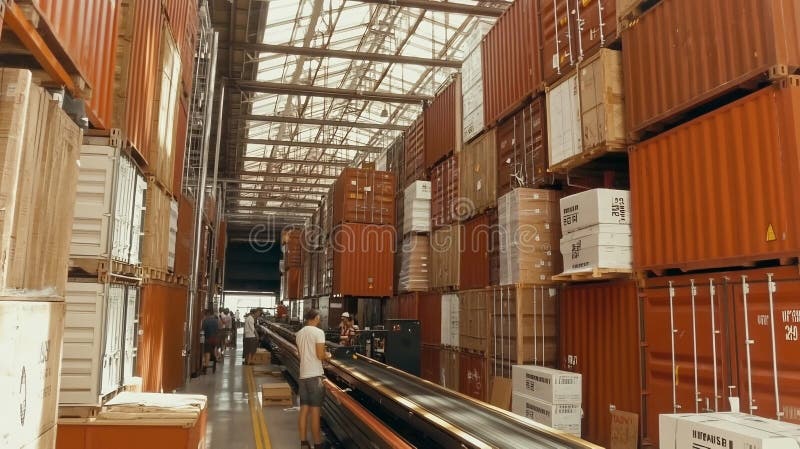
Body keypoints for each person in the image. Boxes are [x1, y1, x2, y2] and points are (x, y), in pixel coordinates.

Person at [296, 309, 330, 449]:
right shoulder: (318, 332)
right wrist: (328, 355)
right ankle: (318, 444)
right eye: (319, 317)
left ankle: (303, 442)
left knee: (304, 410)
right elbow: (320, 355)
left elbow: (300, 355)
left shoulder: (299, 333)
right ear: (315, 318)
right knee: (315, 412)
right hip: (315, 376)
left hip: (303, 376)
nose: (320, 320)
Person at [201, 309, 220, 374]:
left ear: (208, 314)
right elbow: (217, 330)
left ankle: (205, 367)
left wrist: (201, 339)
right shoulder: (216, 321)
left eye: (205, 314)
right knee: (212, 350)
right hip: (215, 339)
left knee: (207, 352)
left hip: (208, 339)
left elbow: (202, 331)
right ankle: (214, 359)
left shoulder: (205, 321)